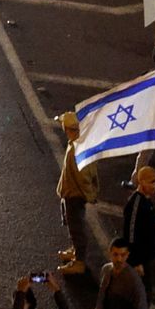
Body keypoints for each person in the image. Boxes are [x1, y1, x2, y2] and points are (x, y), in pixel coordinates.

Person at [55, 113, 99, 274]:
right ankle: (75, 249)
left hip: (74, 195)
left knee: (76, 227)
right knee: (72, 223)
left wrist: (90, 194)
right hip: (70, 192)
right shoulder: (78, 143)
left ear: (67, 129)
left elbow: (84, 177)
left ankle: (79, 261)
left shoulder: (77, 149)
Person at [123, 166, 155, 282]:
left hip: (146, 255)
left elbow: (149, 222)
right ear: (142, 182)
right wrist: (135, 262)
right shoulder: (135, 203)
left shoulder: (146, 199)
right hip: (139, 258)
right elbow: (129, 234)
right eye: (151, 182)